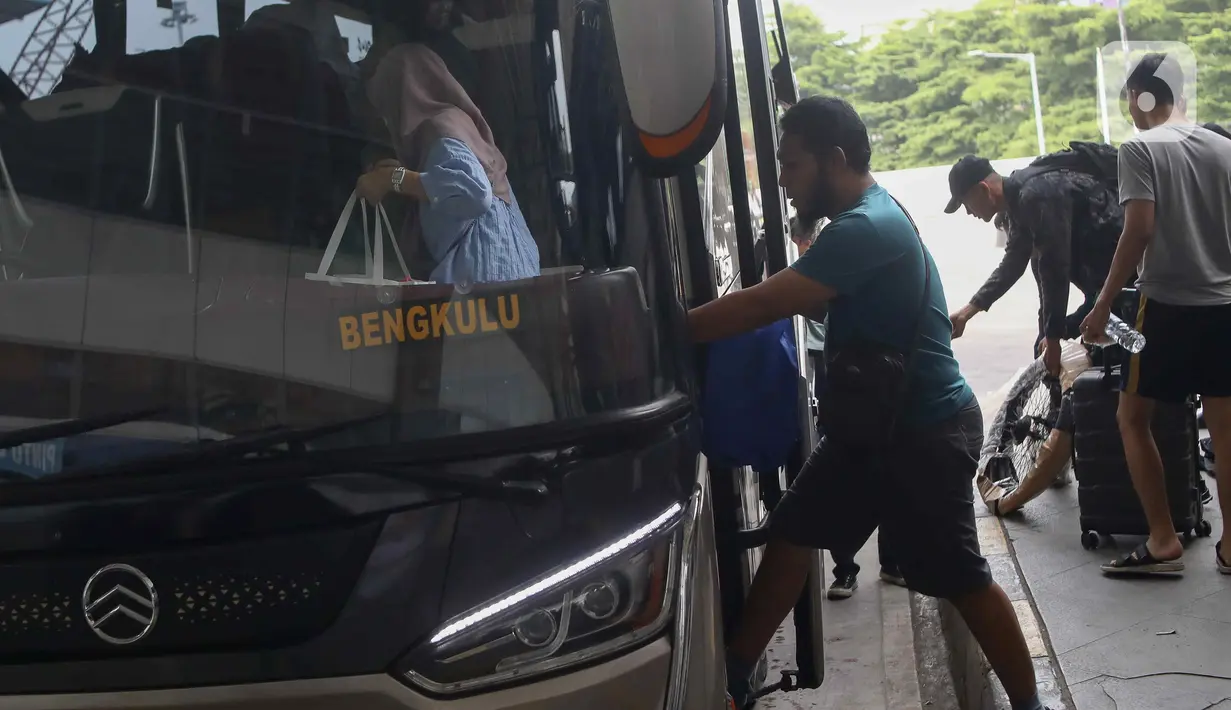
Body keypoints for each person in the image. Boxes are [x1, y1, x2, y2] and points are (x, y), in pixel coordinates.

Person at [689, 95, 1053, 710]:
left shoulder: (866, 227)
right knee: (793, 530)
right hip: (877, 428)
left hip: (925, 431)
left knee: (960, 579)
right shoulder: (866, 219)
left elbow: (761, 302)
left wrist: (664, 331)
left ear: (835, 160)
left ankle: (1031, 707)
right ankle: (733, 679)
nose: (782, 180)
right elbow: (826, 305)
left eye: (792, 165)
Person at [1080, 52, 1231, 577]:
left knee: (1132, 419)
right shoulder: (1224, 148)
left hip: (1166, 307)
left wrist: (1101, 304)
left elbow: (1138, 229)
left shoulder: (1140, 148)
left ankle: (1164, 539)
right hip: (1224, 308)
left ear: (1141, 100)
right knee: (1226, 429)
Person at [356, 43, 540, 286]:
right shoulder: (460, 126)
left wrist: (393, 179)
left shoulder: (440, 128)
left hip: (482, 288)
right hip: (512, 276)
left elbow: (473, 193)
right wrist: (406, 174)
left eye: (390, 109)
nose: (389, 123)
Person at [790, 216, 905, 598]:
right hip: (832, 376)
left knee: (885, 472)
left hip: (869, 385)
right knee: (846, 475)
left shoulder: (860, 266)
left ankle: (890, 563)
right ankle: (846, 570)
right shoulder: (802, 273)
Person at [944, 150, 1127, 375]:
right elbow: (1013, 264)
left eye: (965, 204)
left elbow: (1055, 267)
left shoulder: (1035, 195)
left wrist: (1053, 338)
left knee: (1114, 361)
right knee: (1045, 344)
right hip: (1103, 290)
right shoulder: (1018, 201)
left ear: (983, 189)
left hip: (1126, 285)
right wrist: (966, 313)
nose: (968, 212)